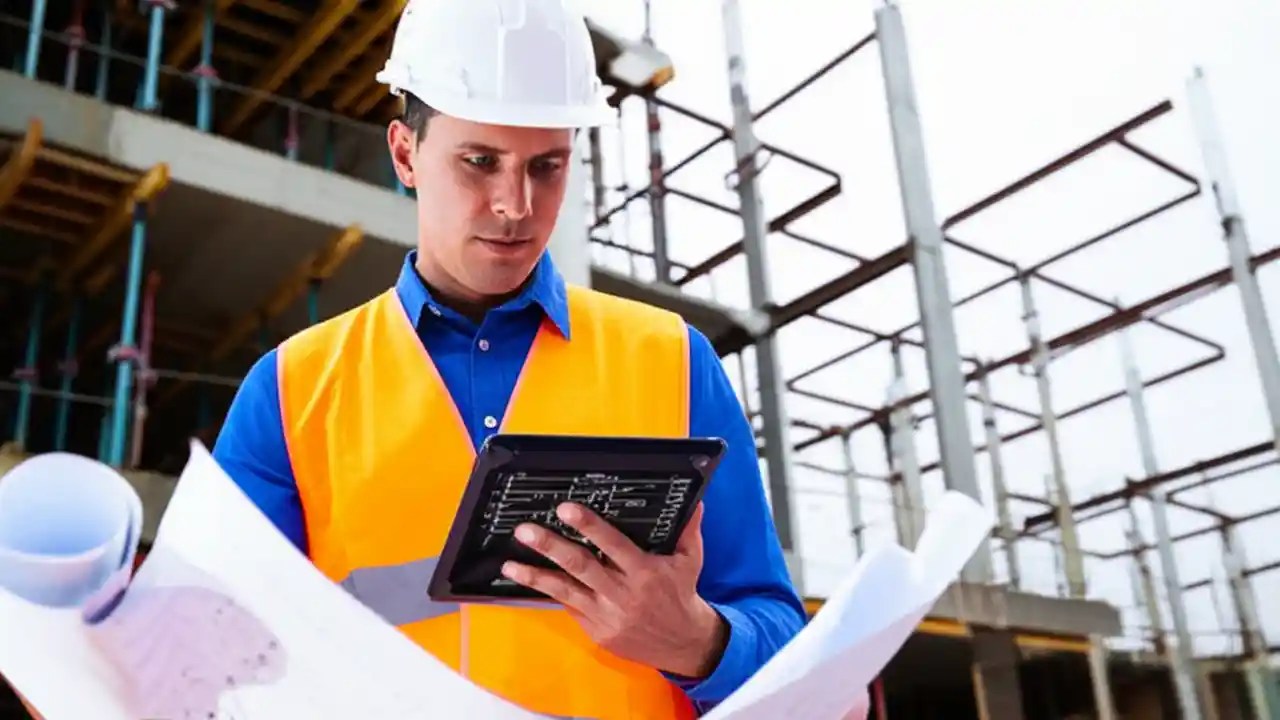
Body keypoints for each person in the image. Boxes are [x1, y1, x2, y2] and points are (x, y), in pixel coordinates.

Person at [211, 0, 805, 717]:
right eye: (480, 162)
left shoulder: (674, 361)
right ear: (405, 154)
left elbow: (792, 653)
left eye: (546, 167)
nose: (515, 205)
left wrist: (699, 643)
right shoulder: (291, 390)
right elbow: (208, 660)